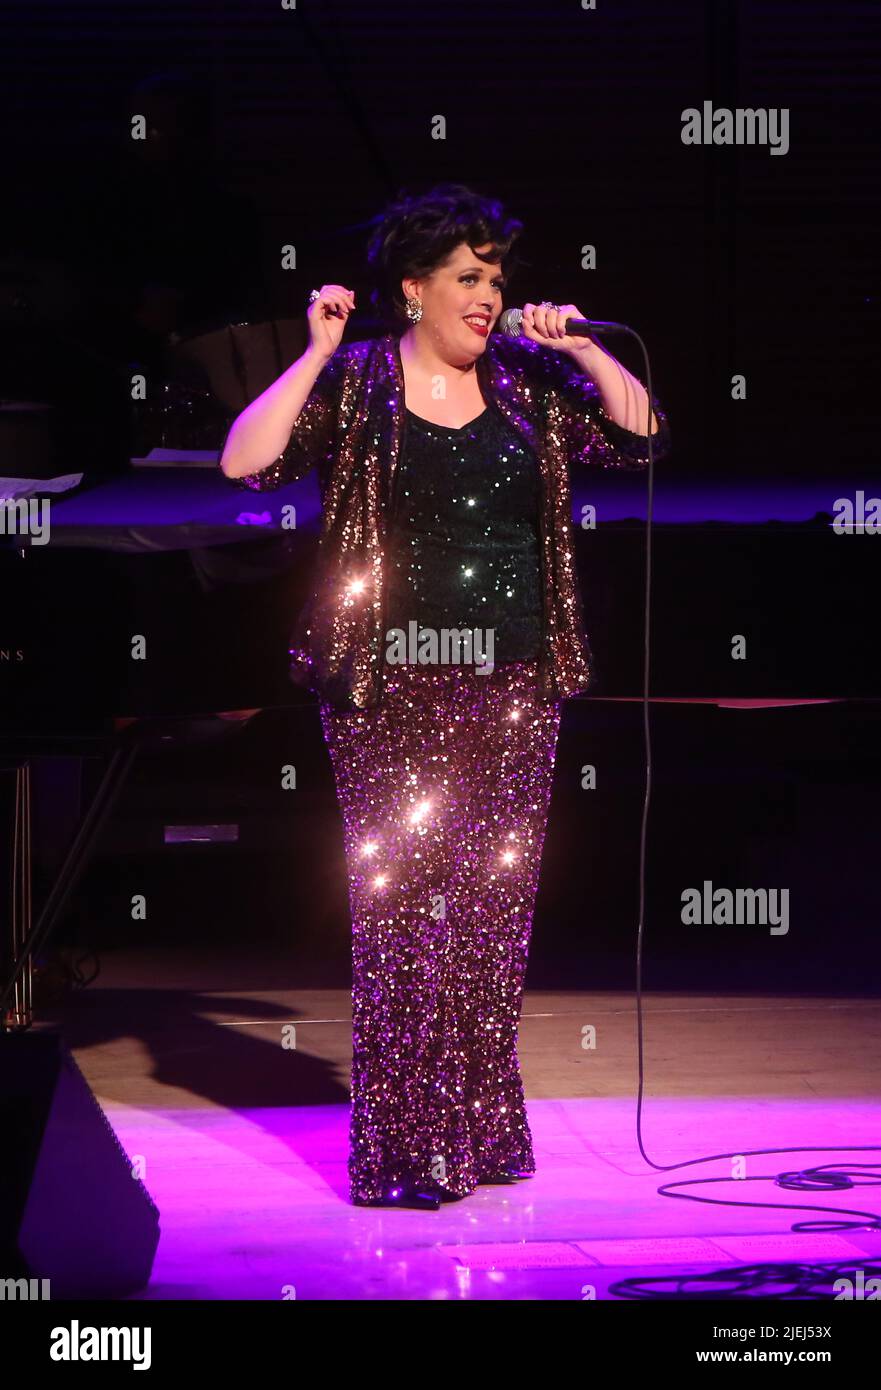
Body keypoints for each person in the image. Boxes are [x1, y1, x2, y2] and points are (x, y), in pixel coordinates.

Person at [220, 183, 671, 1208]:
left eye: (496, 278)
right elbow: (245, 460)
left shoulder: (525, 381)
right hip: (387, 687)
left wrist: (582, 349)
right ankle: (404, 1147)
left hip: (514, 685)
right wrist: (315, 353)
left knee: (488, 918)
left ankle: (479, 1129)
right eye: (468, 277)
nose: (489, 295)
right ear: (413, 289)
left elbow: (643, 435)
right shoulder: (360, 381)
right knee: (402, 918)